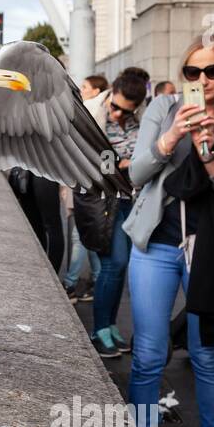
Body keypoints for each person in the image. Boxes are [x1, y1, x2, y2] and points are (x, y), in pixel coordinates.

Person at [125, 37, 214, 427]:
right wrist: (172, 137)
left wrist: (210, 155)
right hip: (158, 241)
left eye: (213, 72)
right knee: (148, 352)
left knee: (207, 354)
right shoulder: (164, 107)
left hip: (212, 248)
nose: (203, 82)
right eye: (193, 73)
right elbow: (136, 173)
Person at [75, 70, 146, 358]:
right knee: (112, 263)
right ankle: (100, 329)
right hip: (99, 199)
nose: (117, 115)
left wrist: (126, 164)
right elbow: (81, 158)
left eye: (125, 111)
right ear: (111, 93)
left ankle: (110, 326)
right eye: (115, 107)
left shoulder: (141, 118)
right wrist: (124, 163)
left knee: (120, 265)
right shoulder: (90, 111)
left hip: (129, 197)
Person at [61, 185, 99, 303]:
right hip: (91, 192)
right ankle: (96, 280)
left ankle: (70, 285)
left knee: (80, 237)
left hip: (89, 193)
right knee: (90, 237)